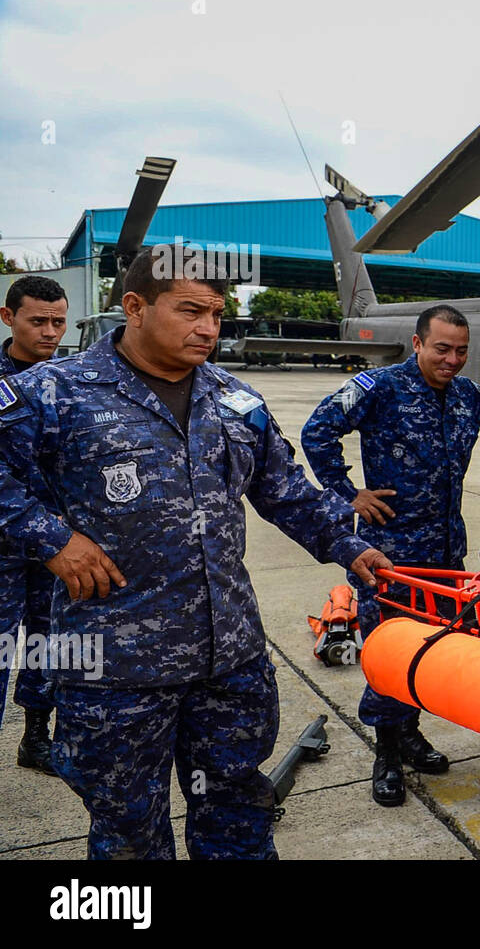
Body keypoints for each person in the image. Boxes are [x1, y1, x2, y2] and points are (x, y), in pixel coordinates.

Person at [0, 244, 391, 860]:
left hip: (229, 658)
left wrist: (349, 544)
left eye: (216, 314)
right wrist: (52, 540)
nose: (208, 328)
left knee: (238, 809)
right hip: (119, 670)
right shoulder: (55, 393)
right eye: (189, 311)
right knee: (128, 832)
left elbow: (284, 490)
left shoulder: (234, 398)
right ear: (135, 307)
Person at [301, 304, 480, 807]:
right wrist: (348, 492)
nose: (452, 360)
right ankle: (385, 752)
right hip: (390, 553)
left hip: (445, 552)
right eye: (442, 348)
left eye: (461, 351)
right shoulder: (379, 387)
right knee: (387, 650)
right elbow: (317, 432)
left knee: (428, 648)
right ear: (418, 343)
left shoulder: (465, 395)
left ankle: (410, 734)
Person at [0, 274, 67, 772]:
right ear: (8, 318)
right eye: (38, 321)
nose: (50, 332)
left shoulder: (68, 382)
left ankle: (36, 738)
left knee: (51, 641)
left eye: (58, 322)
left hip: (53, 545)